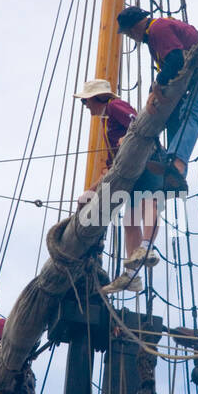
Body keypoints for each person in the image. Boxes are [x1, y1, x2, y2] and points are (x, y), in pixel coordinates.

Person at [116, 6, 198, 185]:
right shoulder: (155, 34)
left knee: (190, 112)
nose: (130, 35)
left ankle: (177, 164)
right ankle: (174, 173)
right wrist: (152, 92)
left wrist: (155, 88)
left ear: (134, 26)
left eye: (128, 32)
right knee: (176, 114)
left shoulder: (158, 29)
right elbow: (168, 69)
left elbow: (176, 61)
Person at [73, 77, 163, 295]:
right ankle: (133, 276)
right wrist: (92, 190)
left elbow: (138, 121)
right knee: (131, 219)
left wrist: (128, 137)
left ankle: (148, 248)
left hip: (148, 160)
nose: (85, 107)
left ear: (96, 99)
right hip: (130, 170)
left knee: (149, 202)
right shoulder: (105, 121)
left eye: (86, 102)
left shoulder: (114, 106)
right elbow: (112, 164)